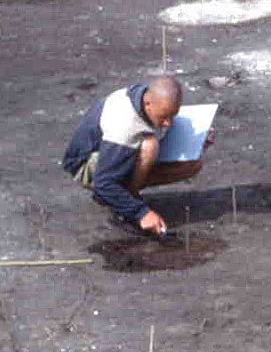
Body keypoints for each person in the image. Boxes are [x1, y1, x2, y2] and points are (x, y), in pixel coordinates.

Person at [62, 74, 207, 237]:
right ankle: (123, 205)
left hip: (114, 154)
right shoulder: (124, 126)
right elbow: (102, 182)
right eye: (164, 117)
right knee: (149, 146)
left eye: (172, 116)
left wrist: (196, 142)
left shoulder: (148, 99)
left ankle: (123, 195)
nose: (168, 123)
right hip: (86, 165)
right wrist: (141, 213)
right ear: (148, 104)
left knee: (193, 164)